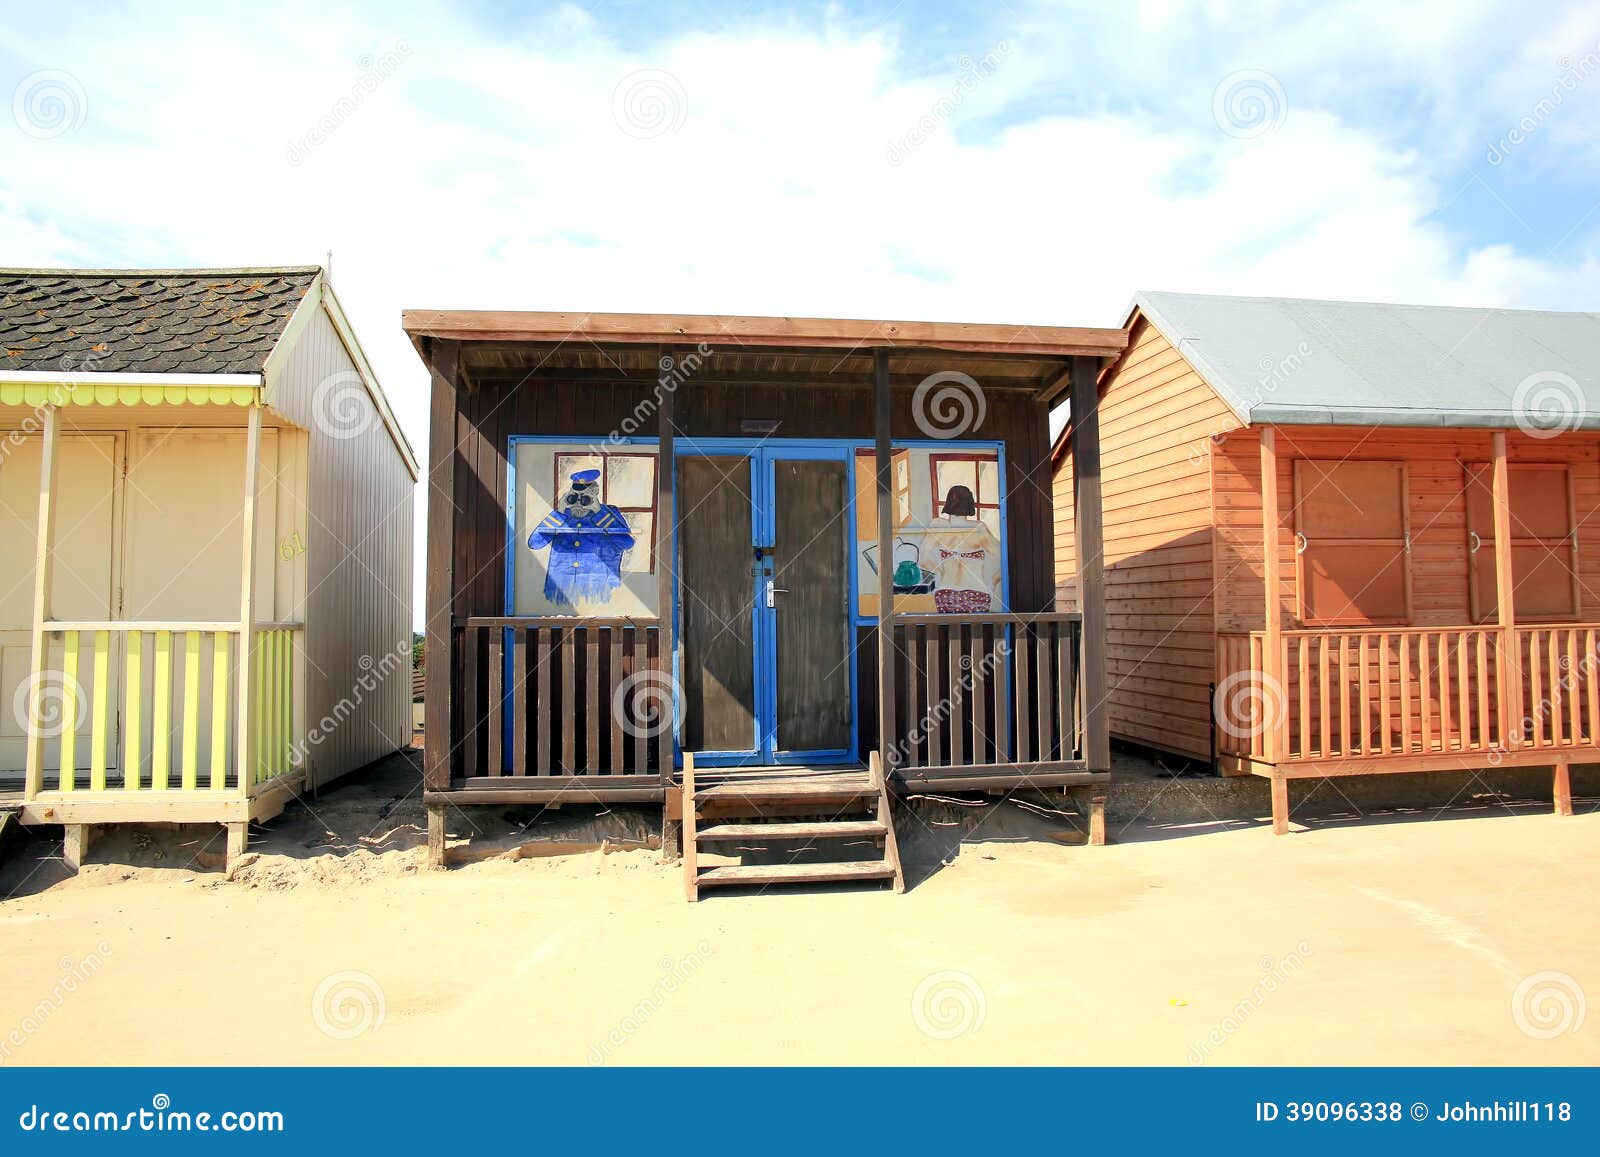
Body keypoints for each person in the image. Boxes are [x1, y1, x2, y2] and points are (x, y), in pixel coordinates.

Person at [528, 468, 636, 608]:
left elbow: (626, 544)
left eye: (585, 498)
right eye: (574, 497)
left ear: (595, 493)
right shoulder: (561, 515)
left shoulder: (608, 513)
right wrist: (560, 512)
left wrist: (598, 512)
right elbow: (534, 543)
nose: (579, 502)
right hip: (561, 589)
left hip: (599, 588)